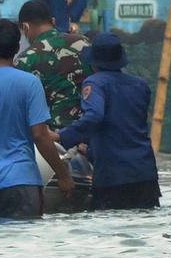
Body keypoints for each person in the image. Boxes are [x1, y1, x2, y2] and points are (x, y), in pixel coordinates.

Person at [0, 19, 75, 219]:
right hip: (22, 181)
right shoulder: (30, 84)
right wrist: (63, 175)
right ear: (18, 47)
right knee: (23, 238)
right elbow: (40, 136)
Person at [57, 33, 160, 209]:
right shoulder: (140, 85)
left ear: (94, 62)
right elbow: (124, 125)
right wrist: (90, 149)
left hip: (112, 176)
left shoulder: (95, 83)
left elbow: (94, 116)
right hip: (144, 173)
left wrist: (62, 136)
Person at [14, 0, 91, 130]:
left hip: (54, 135)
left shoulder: (25, 60)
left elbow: (22, 109)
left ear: (25, 27)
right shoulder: (84, 42)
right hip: (92, 129)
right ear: (53, 21)